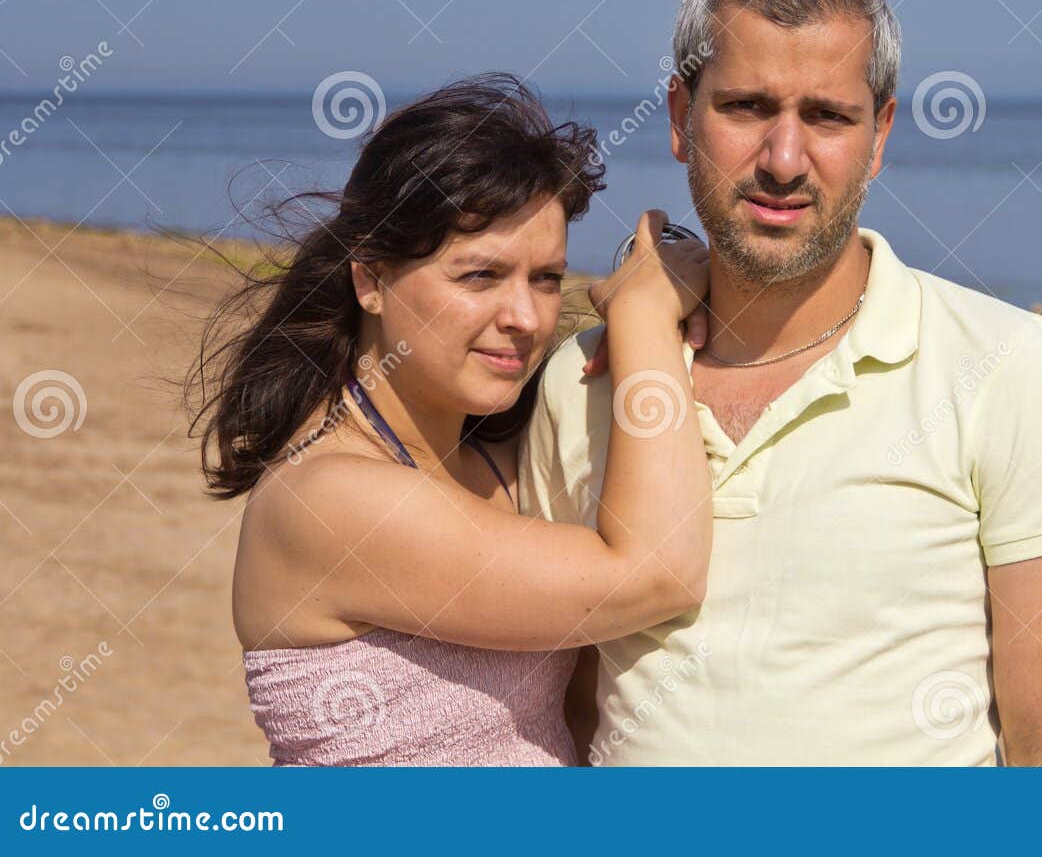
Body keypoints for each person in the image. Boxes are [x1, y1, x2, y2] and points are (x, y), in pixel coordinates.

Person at [523, 0, 1042, 766]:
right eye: (745, 107)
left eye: (827, 116)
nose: (783, 159)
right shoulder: (579, 383)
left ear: (879, 134)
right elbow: (557, 710)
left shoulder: (1007, 367)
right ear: (677, 117)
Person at [187, 75, 712, 766]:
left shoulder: (497, 453)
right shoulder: (330, 499)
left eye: (547, 278)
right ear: (370, 279)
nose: (525, 318)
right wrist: (644, 313)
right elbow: (655, 573)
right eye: (479, 277)